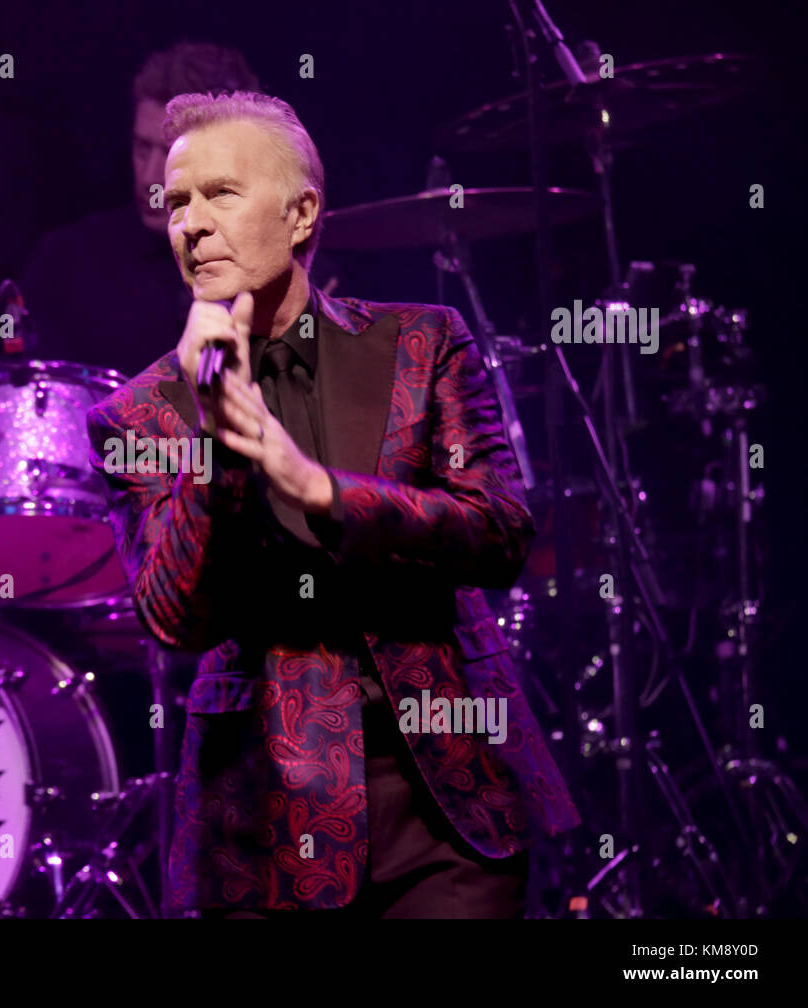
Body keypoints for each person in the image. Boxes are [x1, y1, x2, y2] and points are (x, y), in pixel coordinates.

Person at [85, 91, 580, 917]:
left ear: (303, 212)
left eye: (221, 193)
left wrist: (323, 491)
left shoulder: (424, 344)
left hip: (447, 805)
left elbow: (499, 532)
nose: (191, 224)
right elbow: (175, 618)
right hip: (263, 822)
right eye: (176, 202)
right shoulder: (138, 414)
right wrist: (215, 441)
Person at [19, 42, 338, 378]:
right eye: (142, 149)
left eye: (171, 151)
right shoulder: (64, 262)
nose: (149, 178)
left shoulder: (298, 275)